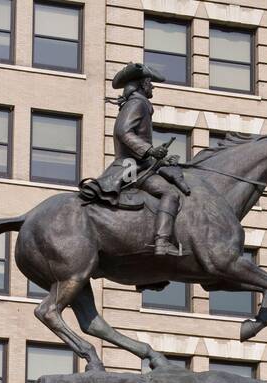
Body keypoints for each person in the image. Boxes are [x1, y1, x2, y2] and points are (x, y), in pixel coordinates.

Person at [78, 61, 191, 256]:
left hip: (139, 165)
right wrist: (150, 150)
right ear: (142, 84)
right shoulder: (137, 103)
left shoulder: (137, 103)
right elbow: (124, 132)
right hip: (132, 168)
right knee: (170, 194)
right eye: (149, 82)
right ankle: (162, 242)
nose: (152, 86)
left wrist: (161, 159)